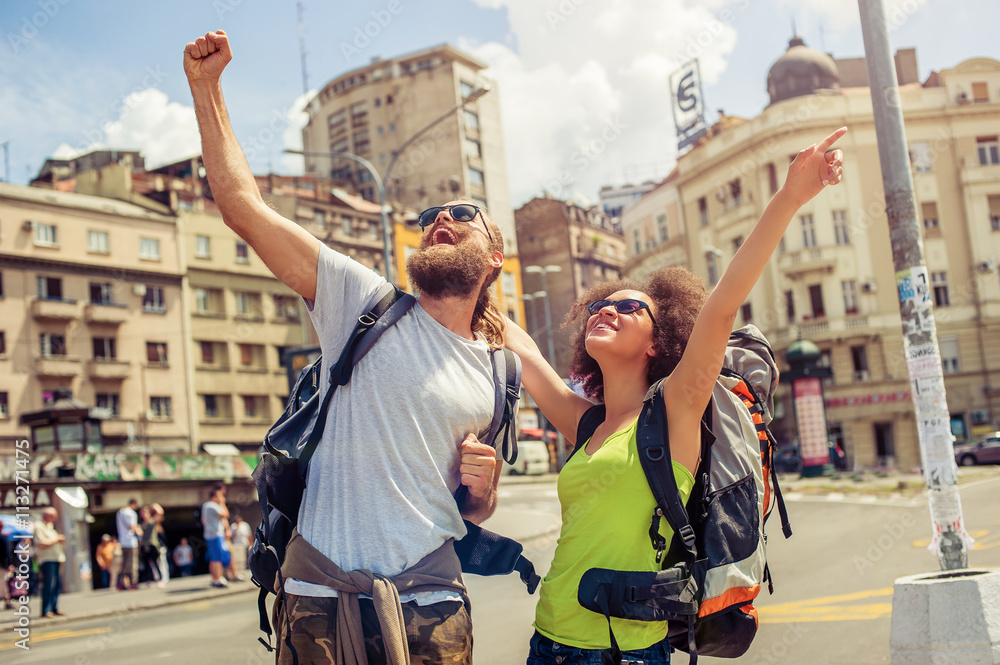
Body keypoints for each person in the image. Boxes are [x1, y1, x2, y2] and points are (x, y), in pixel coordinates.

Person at [185, 30, 508, 663]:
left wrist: (486, 488)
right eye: (431, 217)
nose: (441, 218)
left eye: (463, 214)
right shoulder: (364, 304)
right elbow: (242, 207)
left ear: (494, 257)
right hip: (316, 597)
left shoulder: (500, 373)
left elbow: (472, 505)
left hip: (430, 603)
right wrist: (207, 89)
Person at [505, 129, 846, 664]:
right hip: (547, 641)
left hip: (624, 653)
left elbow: (723, 303)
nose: (607, 309)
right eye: (601, 304)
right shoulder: (587, 423)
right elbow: (521, 349)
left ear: (659, 342)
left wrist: (791, 197)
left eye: (629, 307)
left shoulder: (677, 407)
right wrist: (471, 267)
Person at [35, 507, 66, 618]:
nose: (55, 518)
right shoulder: (39, 526)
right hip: (47, 559)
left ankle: (54, 607)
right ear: (46, 515)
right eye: (53, 516)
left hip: (56, 558)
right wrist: (57, 539)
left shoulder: (50, 526)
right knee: (49, 585)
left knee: (57, 584)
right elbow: (41, 543)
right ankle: (46, 610)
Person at [201, 486, 231, 588]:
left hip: (210, 534)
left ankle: (215, 578)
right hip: (215, 535)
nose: (221, 497)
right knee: (218, 558)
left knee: (213, 558)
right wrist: (222, 503)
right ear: (215, 496)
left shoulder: (206, 506)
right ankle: (218, 579)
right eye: (220, 496)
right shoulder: (212, 506)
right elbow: (226, 514)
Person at [115, 498, 142, 590]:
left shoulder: (120, 512)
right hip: (130, 541)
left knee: (124, 564)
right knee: (132, 563)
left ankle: (122, 583)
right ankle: (133, 582)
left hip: (122, 541)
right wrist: (140, 531)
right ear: (134, 504)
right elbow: (132, 526)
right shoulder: (131, 513)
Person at [228, 514, 251, 580]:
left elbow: (249, 535)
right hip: (237, 545)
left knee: (245, 558)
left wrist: (250, 543)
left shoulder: (245, 525)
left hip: (244, 544)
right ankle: (239, 572)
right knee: (238, 559)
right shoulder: (233, 527)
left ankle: (244, 570)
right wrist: (236, 529)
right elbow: (232, 537)